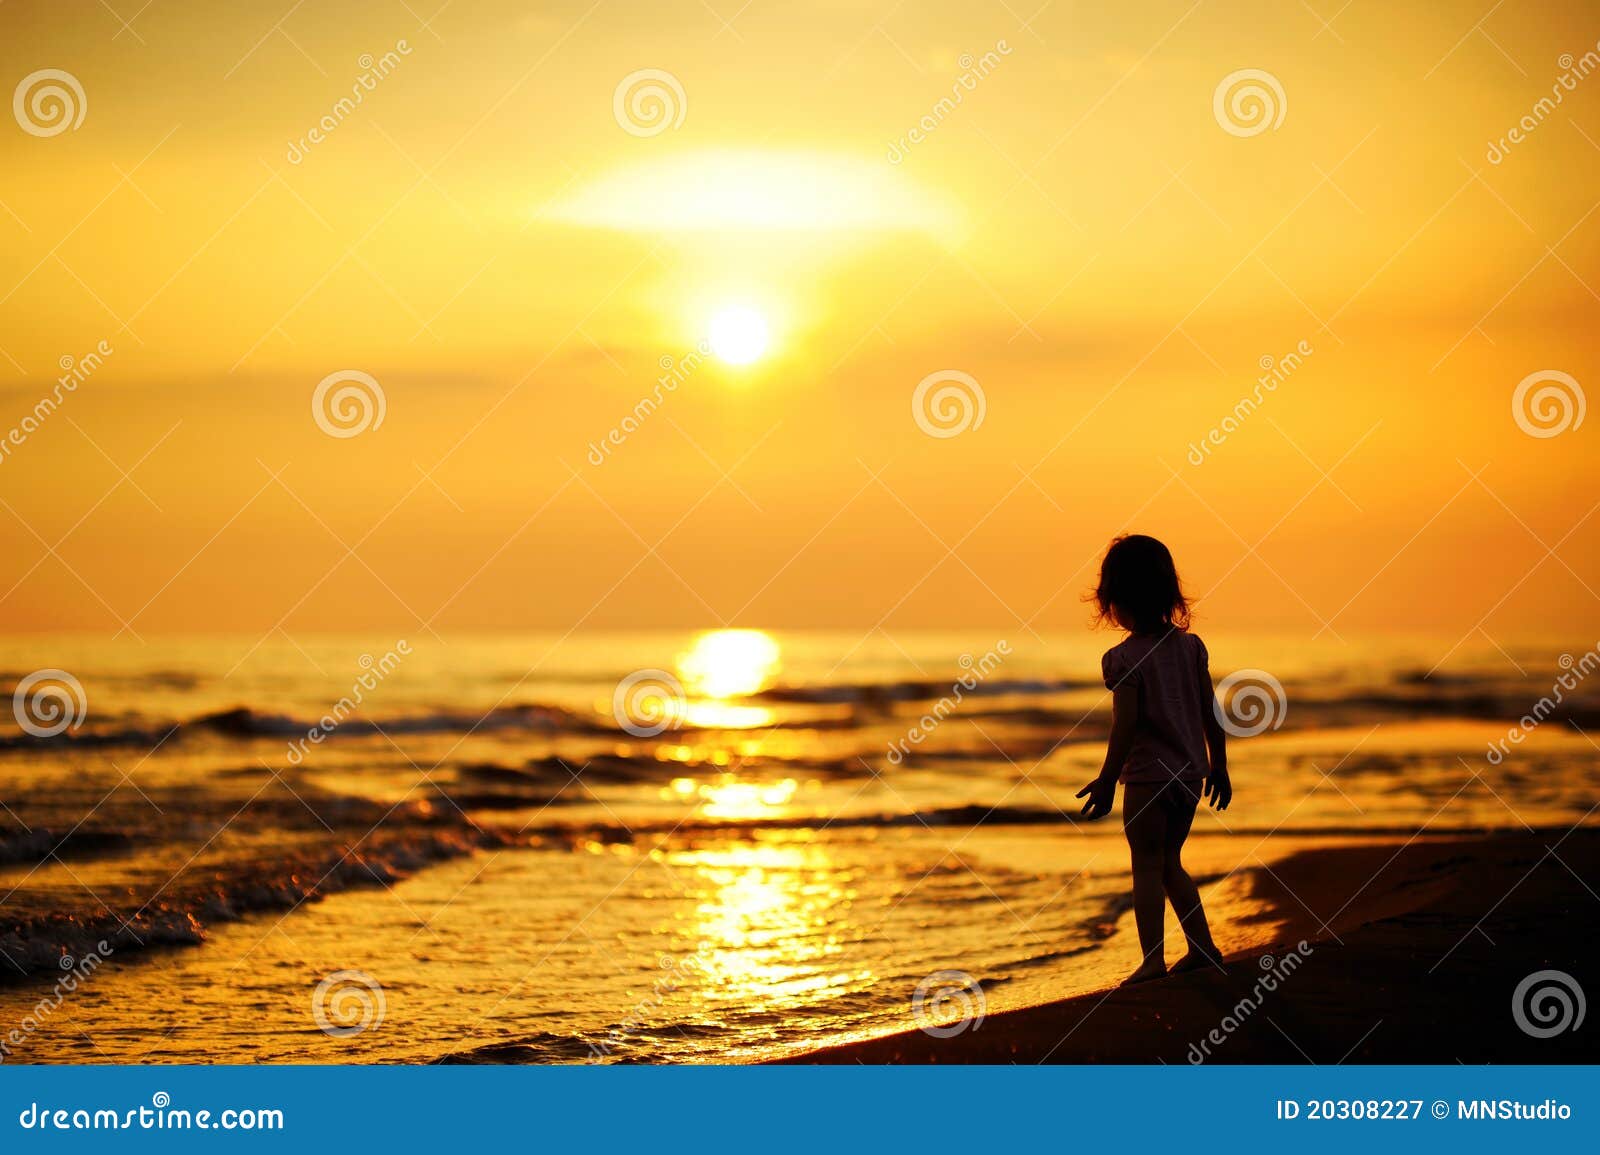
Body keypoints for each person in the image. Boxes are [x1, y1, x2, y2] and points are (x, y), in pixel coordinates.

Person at [1075, 534, 1231, 985]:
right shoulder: (1190, 648)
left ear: (1115, 600)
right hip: (1189, 776)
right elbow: (1209, 710)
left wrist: (1107, 779)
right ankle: (1203, 948)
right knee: (1169, 863)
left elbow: (1124, 725)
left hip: (1147, 778)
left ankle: (1152, 960)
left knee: (1145, 864)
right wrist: (1218, 764)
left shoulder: (1124, 659)